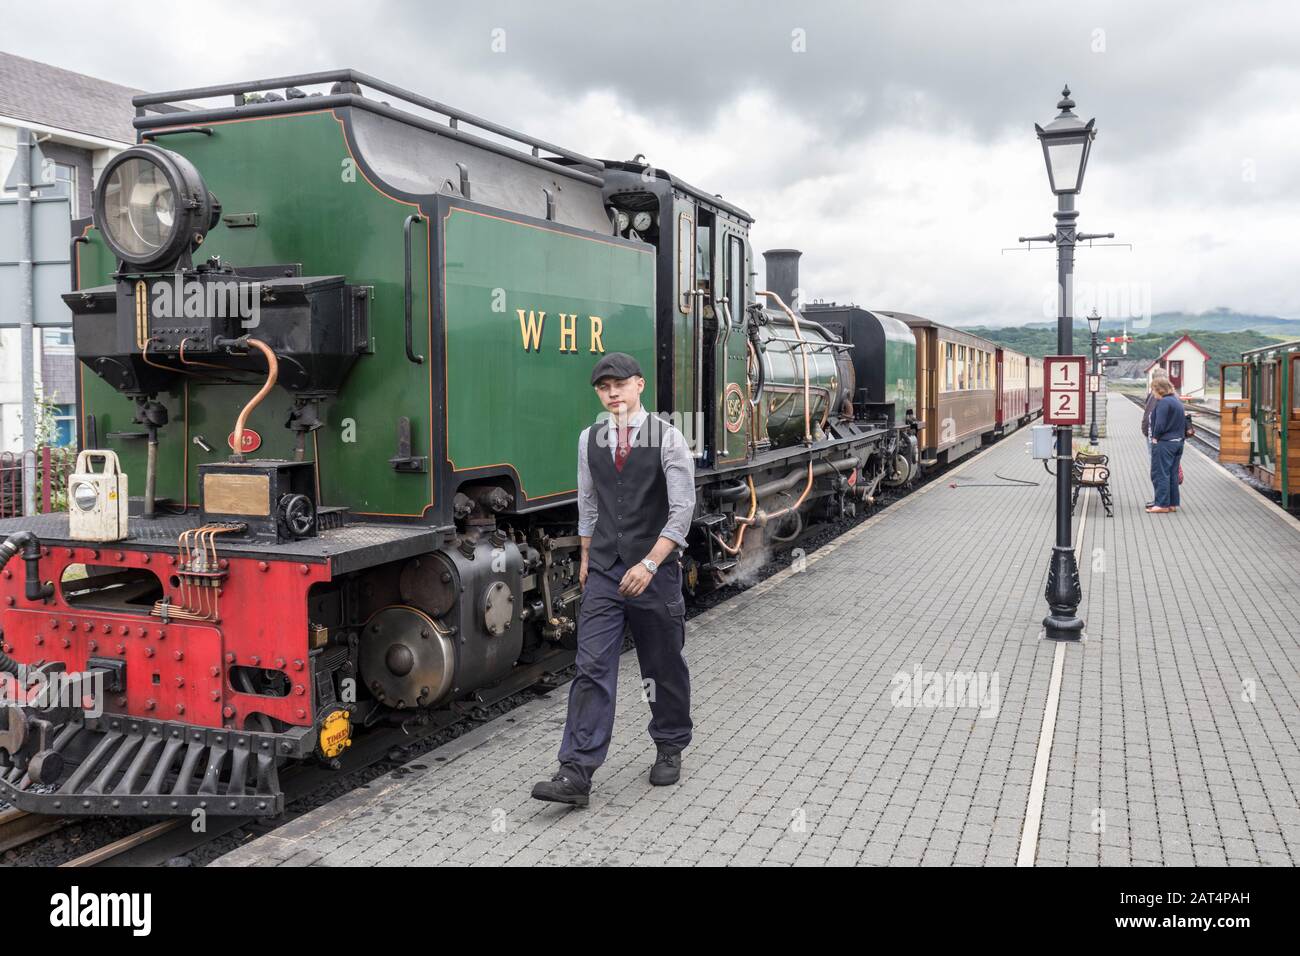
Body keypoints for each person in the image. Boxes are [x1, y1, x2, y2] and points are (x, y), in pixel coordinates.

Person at [531, 352, 696, 807]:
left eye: (620, 384)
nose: (612, 393)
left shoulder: (669, 439)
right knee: (591, 667)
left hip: (654, 572)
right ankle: (576, 772)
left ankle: (670, 744)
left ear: (639, 385)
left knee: (662, 665)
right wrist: (586, 556)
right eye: (604, 387)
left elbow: (683, 509)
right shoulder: (589, 440)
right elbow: (588, 501)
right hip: (604, 570)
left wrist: (650, 563)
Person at [1147, 377, 1185, 514]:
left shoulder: (1163, 403)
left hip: (1165, 444)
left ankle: (1162, 504)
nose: (1152, 393)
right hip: (1178, 443)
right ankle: (1172, 503)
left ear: (1159, 389)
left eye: (1153, 389)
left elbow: (1160, 424)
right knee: (1172, 474)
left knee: (1160, 473)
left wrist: (1155, 437)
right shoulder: (1176, 401)